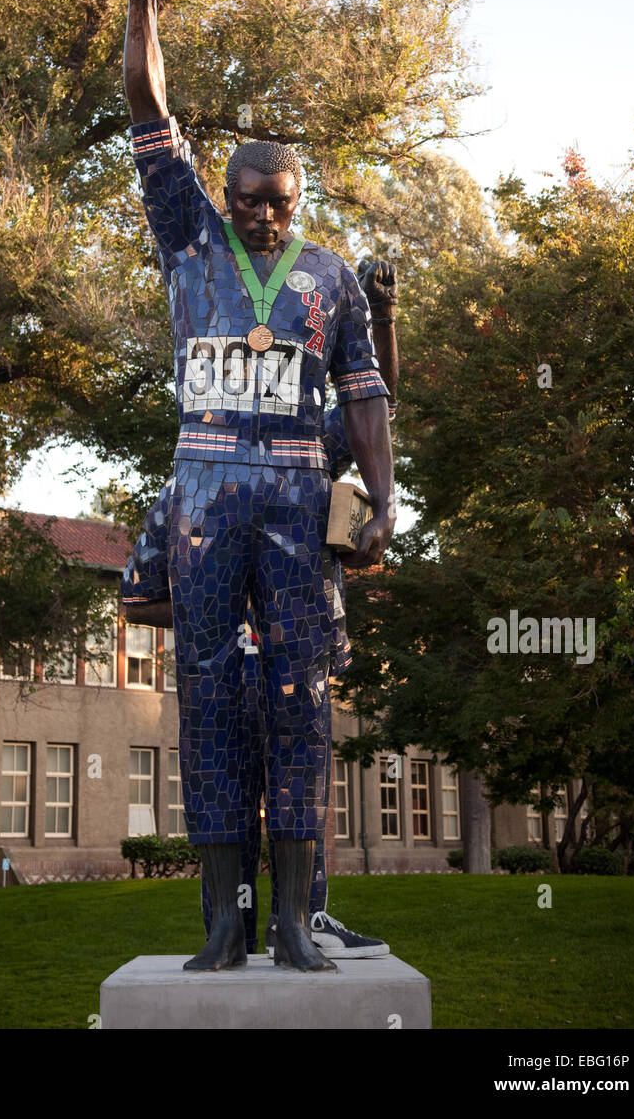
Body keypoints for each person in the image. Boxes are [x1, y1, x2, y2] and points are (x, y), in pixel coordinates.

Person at [121, 0, 396, 971]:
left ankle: (292, 920)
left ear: (300, 198)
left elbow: (365, 393)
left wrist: (380, 493)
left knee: (302, 700)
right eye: (247, 203)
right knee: (206, 693)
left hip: (291, 493)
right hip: (202, 489)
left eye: (277, 205)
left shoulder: (329, 276)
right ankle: (221, 925)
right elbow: (148, 103)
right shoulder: (187, 232)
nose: (262, 219)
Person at [122, 260, 399, 959]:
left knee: (300, 769)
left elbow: (376, 403)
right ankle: (229, 928)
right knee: (224, 783)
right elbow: (139, 597)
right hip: (232, 671)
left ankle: (304, 919)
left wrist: (383, 319)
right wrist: (212, 610)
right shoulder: (187, 496)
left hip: (293, 656)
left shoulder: (304, 459)